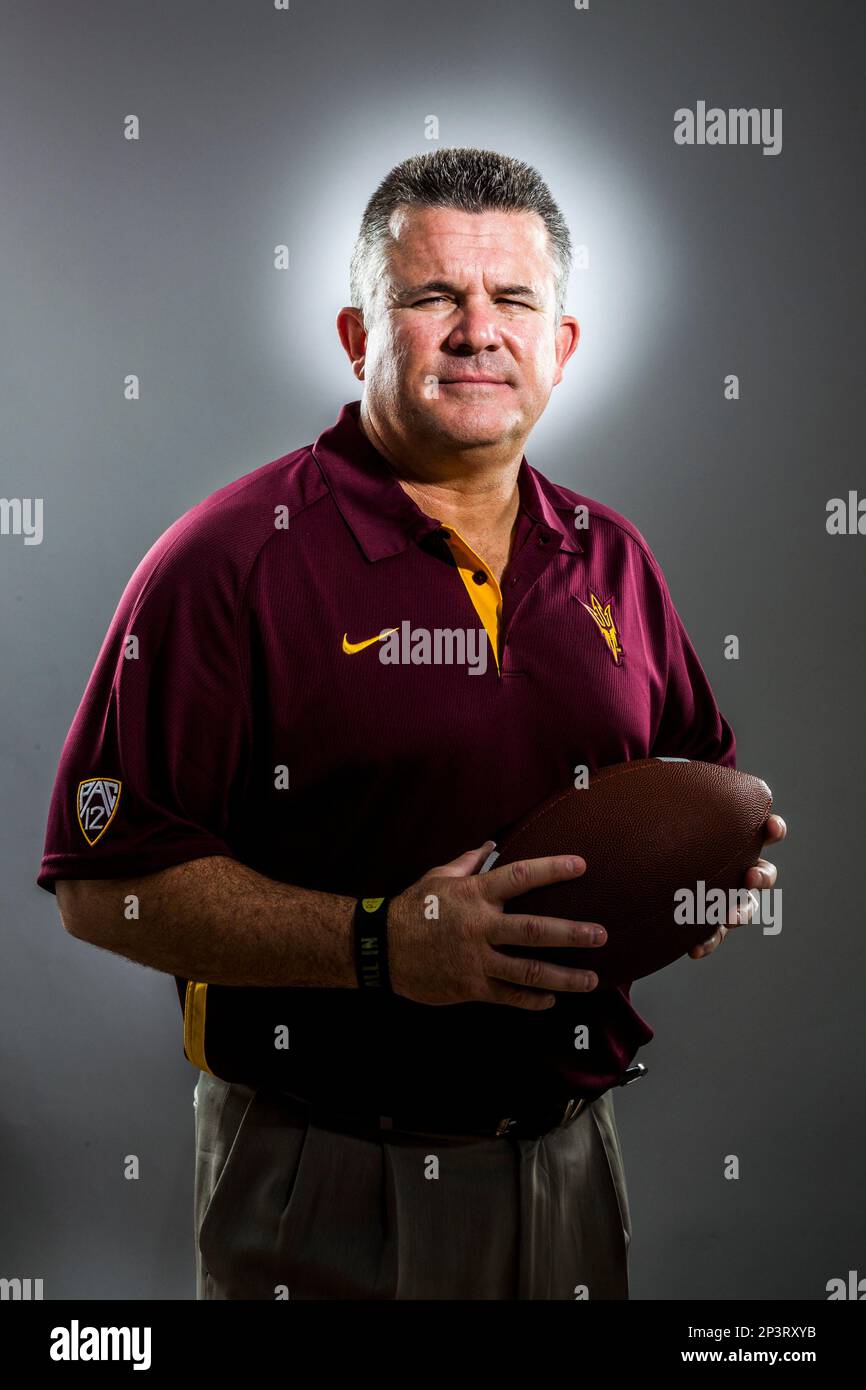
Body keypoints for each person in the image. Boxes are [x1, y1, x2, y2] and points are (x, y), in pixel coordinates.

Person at [37, 146, 785, 1301]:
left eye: (514, 300)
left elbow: (697, 782)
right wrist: (384, 943)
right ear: (355, 335)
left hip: (568, 1155)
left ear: (562, 346)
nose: (476, 330)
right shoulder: (228, 562)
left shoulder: (611, 557)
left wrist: (706, 877)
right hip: (326, 1168)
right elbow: (104, 884)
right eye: (433, 295)